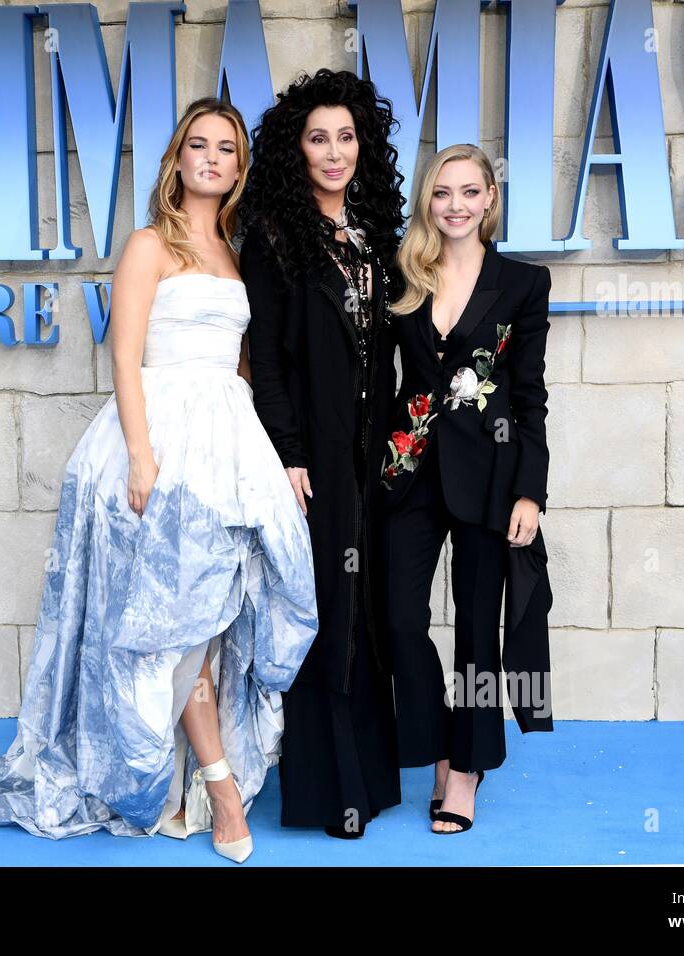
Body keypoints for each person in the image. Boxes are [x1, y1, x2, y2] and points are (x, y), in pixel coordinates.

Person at [0, 97, 319, 863]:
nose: (214, 159)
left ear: (239, 165)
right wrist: (141, 454)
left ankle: (186, 784)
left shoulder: (234, 248)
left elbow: (242, 361)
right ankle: (219, 795)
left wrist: (266, 451)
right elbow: (125, 356)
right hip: (159, 437)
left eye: (228, 148)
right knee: (175, 623)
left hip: (227, 438)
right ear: (178, 158)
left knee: (220, 615)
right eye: (200, 145)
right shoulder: (149, 244)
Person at [239, 69, 406, 839]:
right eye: (318, 138)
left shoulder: (376, 235)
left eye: (346, 136)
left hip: (373, 456)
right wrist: (289, 453)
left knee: (368, 607)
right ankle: (325, 793)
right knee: (325, 613)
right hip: (315, 454)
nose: (334, 152)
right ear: (294, 151)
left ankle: (369, 779)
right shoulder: (275, 238)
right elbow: (267, 360)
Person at [380, 143, 555, 835]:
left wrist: (531, 493)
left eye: (468, 192)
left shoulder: (522, 283)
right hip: (407, 471)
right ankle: (433, 741)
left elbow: (532, 394)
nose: (454, 204)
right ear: (428, 201)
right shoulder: (404, 275)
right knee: (397, 618)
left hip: (492, 477)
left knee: (479, 633)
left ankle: (466, 767)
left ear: (488, 200)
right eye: (441, 192)